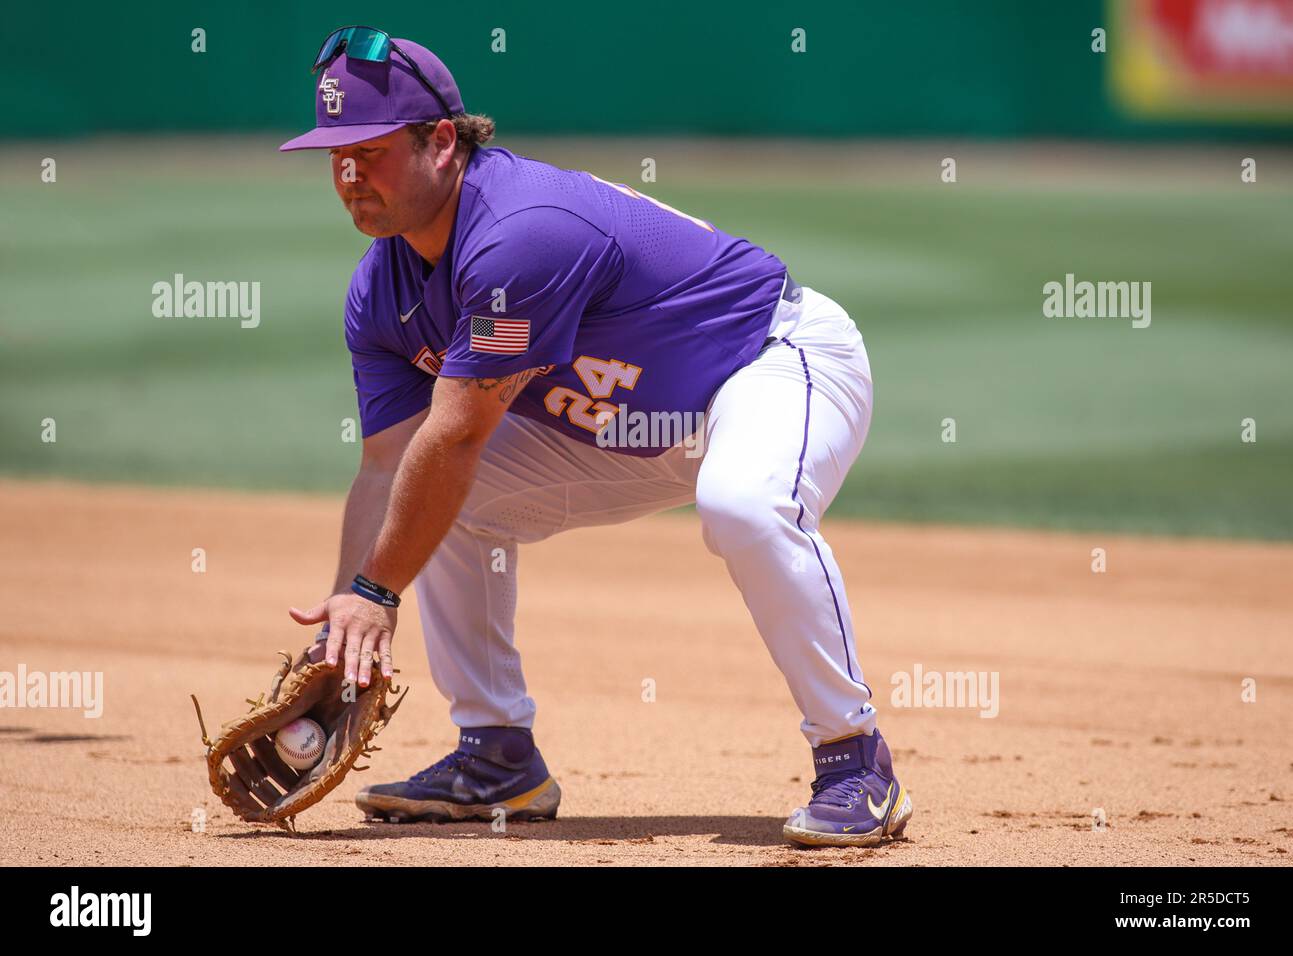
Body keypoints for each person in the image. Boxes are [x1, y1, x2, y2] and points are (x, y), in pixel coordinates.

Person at [281, 26, 910, 847]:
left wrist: (377, 595)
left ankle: (856, 758)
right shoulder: (379, 293)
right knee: (431, 507)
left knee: (743, 505)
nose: (348, 174)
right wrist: (343, 636)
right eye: (334, 155)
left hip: (768, 364)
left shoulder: (519, 235)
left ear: (442, 142)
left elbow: (460, 438)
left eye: (368, 149)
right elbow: (388, 468)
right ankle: (496, 754)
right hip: (623, 426)